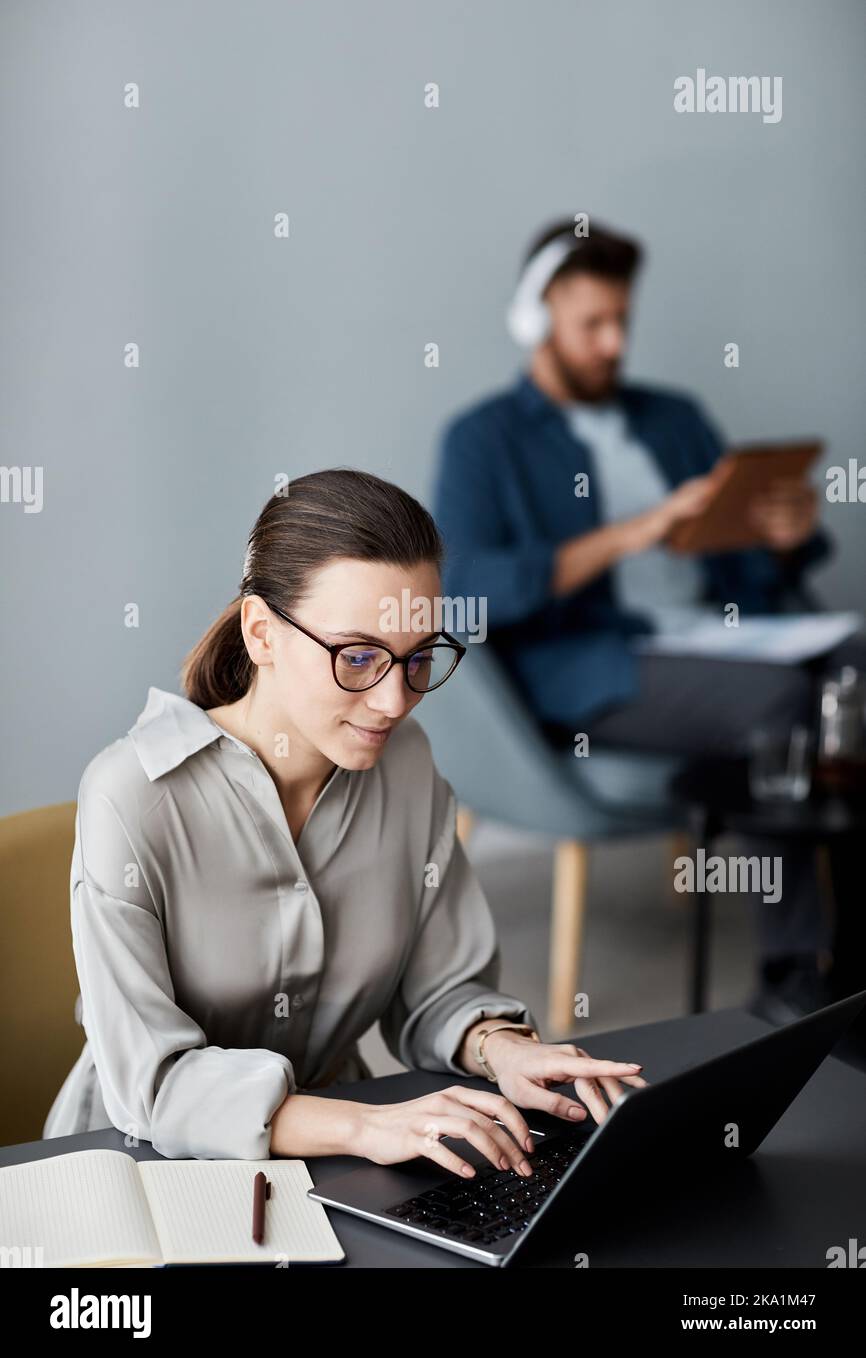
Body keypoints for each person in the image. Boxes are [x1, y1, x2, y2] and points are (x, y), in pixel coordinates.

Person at [43, 468, 646, 1166]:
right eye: (357, 657)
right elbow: (155, 1087)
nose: (395, 700)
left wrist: (500, 1048)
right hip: (137, 1163)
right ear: (262, 633)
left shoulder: (406, 765)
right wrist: (367, 1128)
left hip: (341, 1159)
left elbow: (439, 987)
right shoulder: (133, 796)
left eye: (419, 659)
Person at [433, 217, 861, 1026]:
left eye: (621, 321)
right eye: (591, 323)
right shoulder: (482, 440)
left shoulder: (674, 418)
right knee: (779, 704)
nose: (611, 342)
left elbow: (743, 562)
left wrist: (785, 534)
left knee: (855, 667)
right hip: (596, 667)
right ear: (538, 320)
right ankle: (795, 969)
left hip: (722, 633)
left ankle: (857, 953)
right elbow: (464, 589)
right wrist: (636, 531)